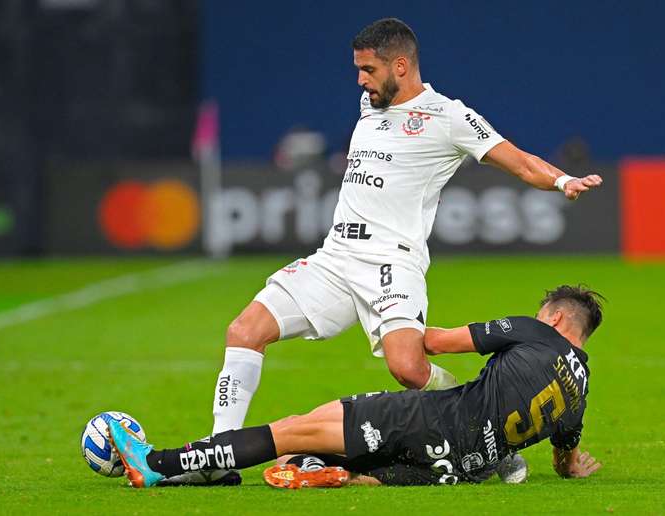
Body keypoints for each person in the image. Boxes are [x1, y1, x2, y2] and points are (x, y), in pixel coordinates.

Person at [188, 17, 603, 485]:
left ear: (401, 66)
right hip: (335, 257)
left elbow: (521, 162)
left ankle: (483, 436)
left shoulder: (448, 117)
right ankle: (214, 458)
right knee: (244, 330)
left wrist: (564, 181)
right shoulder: (369, 103)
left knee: (407, 369)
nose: (360, 80)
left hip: (392, 260)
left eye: (367, 69)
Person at [109, 285, 604, 488]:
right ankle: (329, 472)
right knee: (327, 457)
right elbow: (564, 463)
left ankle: (158, 466)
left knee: (291, 429)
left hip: (429, 419)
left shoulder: (533, 330)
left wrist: (388, 312)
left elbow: (432, 342)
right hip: (458, 468)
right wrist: (574, 466)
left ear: (556, 317)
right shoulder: (579, 392)